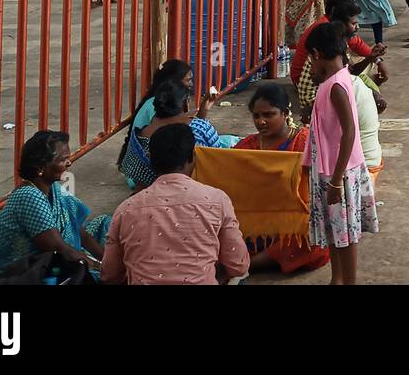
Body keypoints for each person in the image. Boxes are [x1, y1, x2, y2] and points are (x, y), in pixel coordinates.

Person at [103, 122, 250, 285]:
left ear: (151, 160)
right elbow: (239, 265)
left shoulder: (126, 209)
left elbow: (110, 274)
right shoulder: (217, 199)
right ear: (192, 158)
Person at [303, 20, 378, 285]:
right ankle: (337, 279)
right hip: (335, 170)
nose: (310, 68)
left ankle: (348, 280)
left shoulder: (334, 87)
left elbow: (349, 132)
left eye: (309, 62)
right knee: (336, 232)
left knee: (345, 234)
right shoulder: (339, 78)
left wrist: (335, 180)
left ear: (316, 55)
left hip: (338, 173)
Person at [230, 82, 330, 274]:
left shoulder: (305, 142)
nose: (261, 121)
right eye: (257, 116)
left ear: (285, 114)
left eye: (269, 115)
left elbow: (320, 185)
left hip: (295, 217)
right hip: (260, 218)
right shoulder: (247, 147)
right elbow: (230, 177)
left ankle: (248, 264)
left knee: (310, 237)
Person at [0, 131, 109, 283]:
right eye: (63, 160)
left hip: (51, 260)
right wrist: (102, 268)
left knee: (107, 225)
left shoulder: (54, 189)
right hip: (22, 275)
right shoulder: (28, 196)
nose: (69, 163)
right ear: (40, 167)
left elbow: (79, 231)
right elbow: (60, 249)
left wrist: (108, 262)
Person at [116, 59, 219, 186]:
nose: (191, 83)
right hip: (187, 186)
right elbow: (217, 159)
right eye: (188, 79)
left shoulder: (142, 133)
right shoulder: (197, 129)